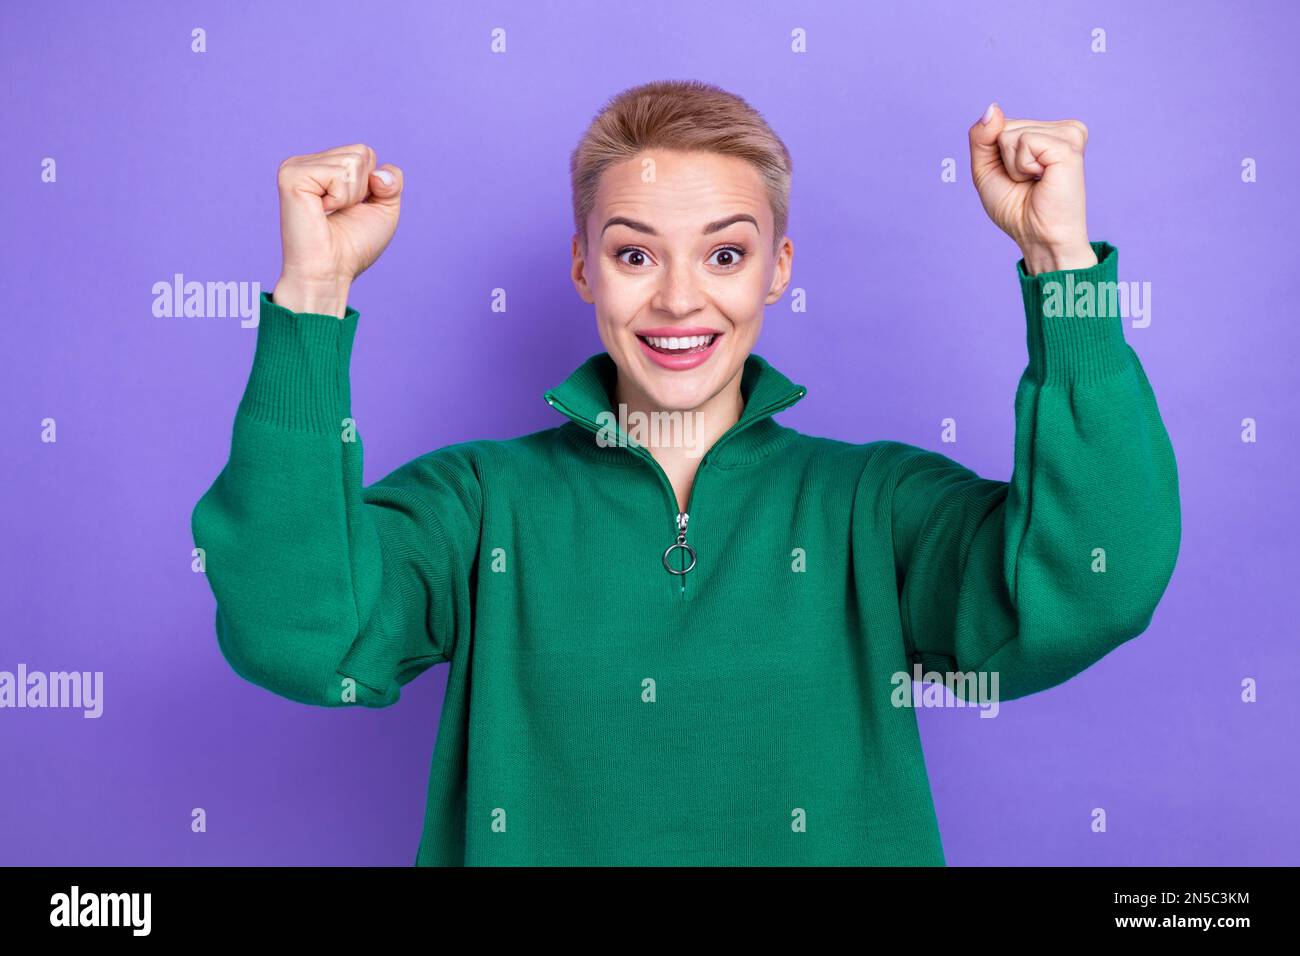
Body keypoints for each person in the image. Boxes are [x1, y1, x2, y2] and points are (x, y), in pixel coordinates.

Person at [191, 79, 1181, 866]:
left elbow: (1092, 587)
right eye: (633, 254)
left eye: (723, 254)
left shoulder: (873, 506)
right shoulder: (473, 505)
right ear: (583, 269)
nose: (677, 300)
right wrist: (312, 298)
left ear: (776, 269)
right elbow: (299, 639)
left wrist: (1060, 263)